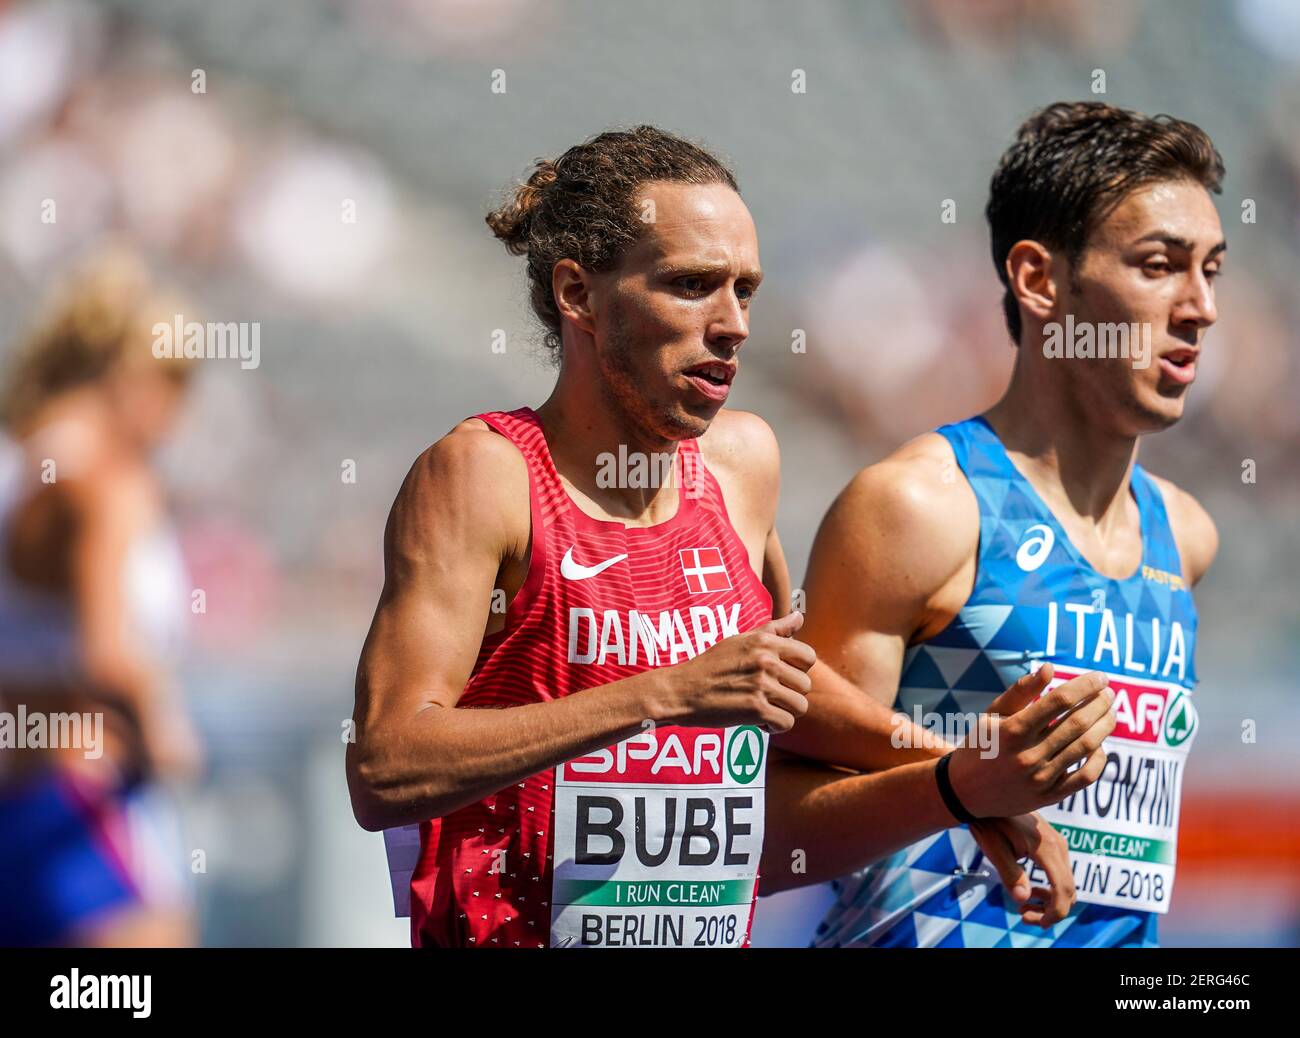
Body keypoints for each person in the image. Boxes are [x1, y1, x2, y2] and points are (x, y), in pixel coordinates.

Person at [347, 125, 1116, 949]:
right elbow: (387, 764)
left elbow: (778, 690)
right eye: (691, 286)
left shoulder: (741, 464)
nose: (733, 324)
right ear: (578, 295)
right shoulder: (485, 475)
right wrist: (666, 695)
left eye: (745, 290)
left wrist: (953, 774)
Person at [784, 101, 1223, 947]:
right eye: (1160, 266)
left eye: (1212, 269)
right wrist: (961, 786)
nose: (1199, 307)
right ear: (1039, 280)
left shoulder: (1186, 535)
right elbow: (781, 836)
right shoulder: (917, 509)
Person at [0, 252, 203, 947]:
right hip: (80, 802)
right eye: (175, 388)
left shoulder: (17, 458)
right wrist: (167, 738)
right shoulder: (106, 482)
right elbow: (107, 653)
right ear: (133, 381)